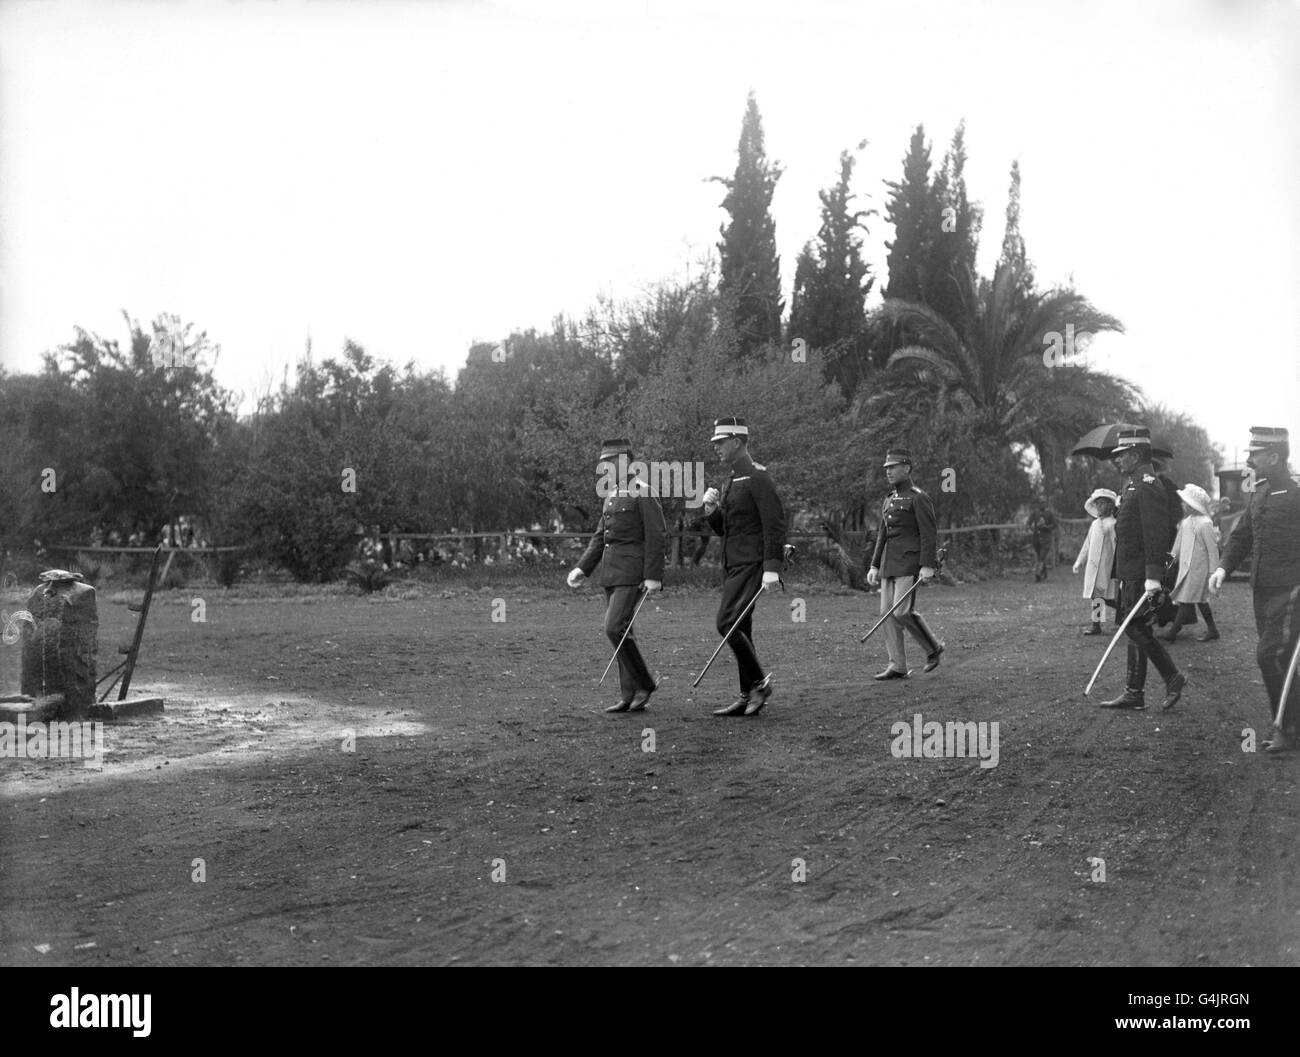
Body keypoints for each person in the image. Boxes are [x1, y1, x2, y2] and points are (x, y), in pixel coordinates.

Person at [1209, 427, 1300, 753]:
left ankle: (1286, 729)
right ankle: (1292, 725)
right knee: (1284, 657)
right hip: (1261, 588)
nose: (1249, 460)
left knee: (1268, 655)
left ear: (1274, 457)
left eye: (1255, 454)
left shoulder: (1297, 494)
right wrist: (1222, 568)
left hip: (1290, 589)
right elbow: (1242, 536)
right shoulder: (1259, 493)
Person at [568, 439, 666, 714]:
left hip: (633, 574)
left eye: (611, 461)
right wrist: (582, 568)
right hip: (610, 574)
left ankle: (645, 684)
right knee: (623, 631)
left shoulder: (643, 492)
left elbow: (656, 535)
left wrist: (653, 576)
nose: (607, 467)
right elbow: (601, 537)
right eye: (605, 463)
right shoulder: (611, 495)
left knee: (613, 627)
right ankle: (629, 694)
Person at [700, 417, 787, 716]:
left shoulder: (758, 477)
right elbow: (727, 529)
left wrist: (772, 568)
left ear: (737, 441)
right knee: (743, 628)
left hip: (752, 564)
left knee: (726, 623)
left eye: (720, 442)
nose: (716, 448)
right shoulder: (731, 480)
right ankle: (746, 693)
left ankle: (760, 684)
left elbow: (774, 525)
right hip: (733, 563)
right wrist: (712, 512)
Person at [1099, 427, 1187, 711]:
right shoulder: (1133, 482)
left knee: (1134, 624)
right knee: (1132, 624)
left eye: (1121, 455)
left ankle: (1172, 676)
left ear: (1135, 454)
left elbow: (1155, 534)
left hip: (1140, 571)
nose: (1117, 460)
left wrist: (1153, 576)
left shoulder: (1147, 484)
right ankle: (1134, 692)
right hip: (1130, 569)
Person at [866, 447, 942, 679]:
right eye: (886, 468)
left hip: (910, 563)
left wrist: (927, 565)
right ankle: (897, 665)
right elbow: (882, 535)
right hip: (890, 564)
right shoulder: (889, 499)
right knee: (886, 614)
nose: (888, 472)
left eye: (893, 467)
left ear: (907, 468)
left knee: (901, 612)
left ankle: (933, 648)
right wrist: (874, 565)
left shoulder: (919, 497)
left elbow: (929, 534)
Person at [1158, 483, 1220, 644]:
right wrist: (1170, 562)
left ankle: (1173, 631)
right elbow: (1178, 545)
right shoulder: (1186, 523)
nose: (1183, 505)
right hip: (1186, 568)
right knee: (1199, 600)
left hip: (1200, 569)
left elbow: (1212, 550)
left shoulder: (1205, 523)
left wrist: (1213, 572)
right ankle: (1213, 629)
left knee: (1186, 599)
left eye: (1186, 502)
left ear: (1194, 505)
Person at [1072, 488, 1118, 635]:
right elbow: (1087, 544)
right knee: (1096, 595)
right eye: (1097, 504)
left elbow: (1116, 545)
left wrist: (1118, 567)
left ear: (1111, 506)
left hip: (1106, 565)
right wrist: (1079, 561)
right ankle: (1096, 625)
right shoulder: (1094, 524)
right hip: (1093, 566)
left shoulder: (1112, 525)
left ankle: (1124, 611)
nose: (1100, 507)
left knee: (1105, 595)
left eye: (1103, 504)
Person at [1028, 500, 1058, 582]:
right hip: (1036, 538)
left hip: (1046, 538)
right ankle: (1044, 574)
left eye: (1044, 503)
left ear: (1046, 504)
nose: (1042, 504)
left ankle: (1038, 574)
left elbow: (1055, 525)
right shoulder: (1035, 513)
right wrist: (1033, 529)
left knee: (1042, 556)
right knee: (1040, 557)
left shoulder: (1049, 513)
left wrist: (1046, 527)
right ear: (1038, 504)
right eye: (1041, 503)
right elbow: (1029, 523)